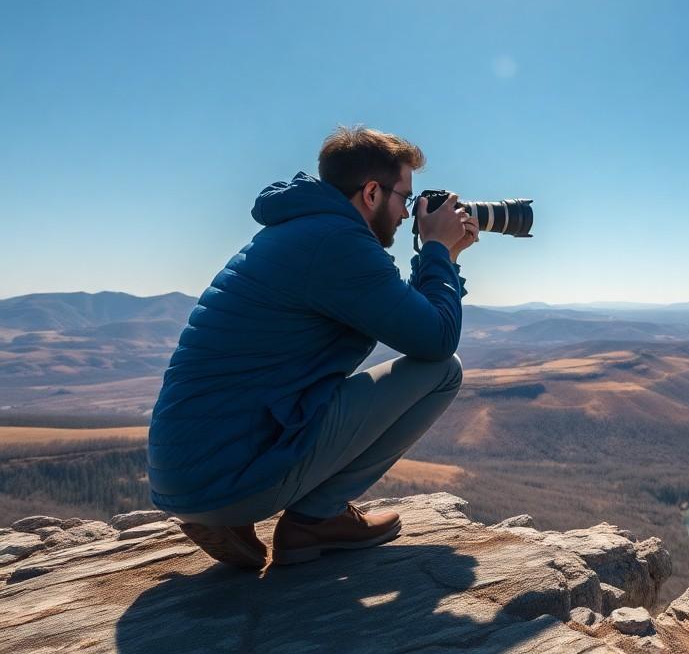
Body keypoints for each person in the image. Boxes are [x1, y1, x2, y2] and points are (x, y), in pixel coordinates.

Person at [146, 125, 479, 571]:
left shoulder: (303, 230)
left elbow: (412, 316)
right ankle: (315, 519)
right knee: (443, 371)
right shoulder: (337, 244)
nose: (408, 213)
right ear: (373, 193)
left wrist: (443, 256)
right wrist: (438, 246)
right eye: (405, 197)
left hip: (190, 470)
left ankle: (231, 513)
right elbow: (435, 340)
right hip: (223, 475)